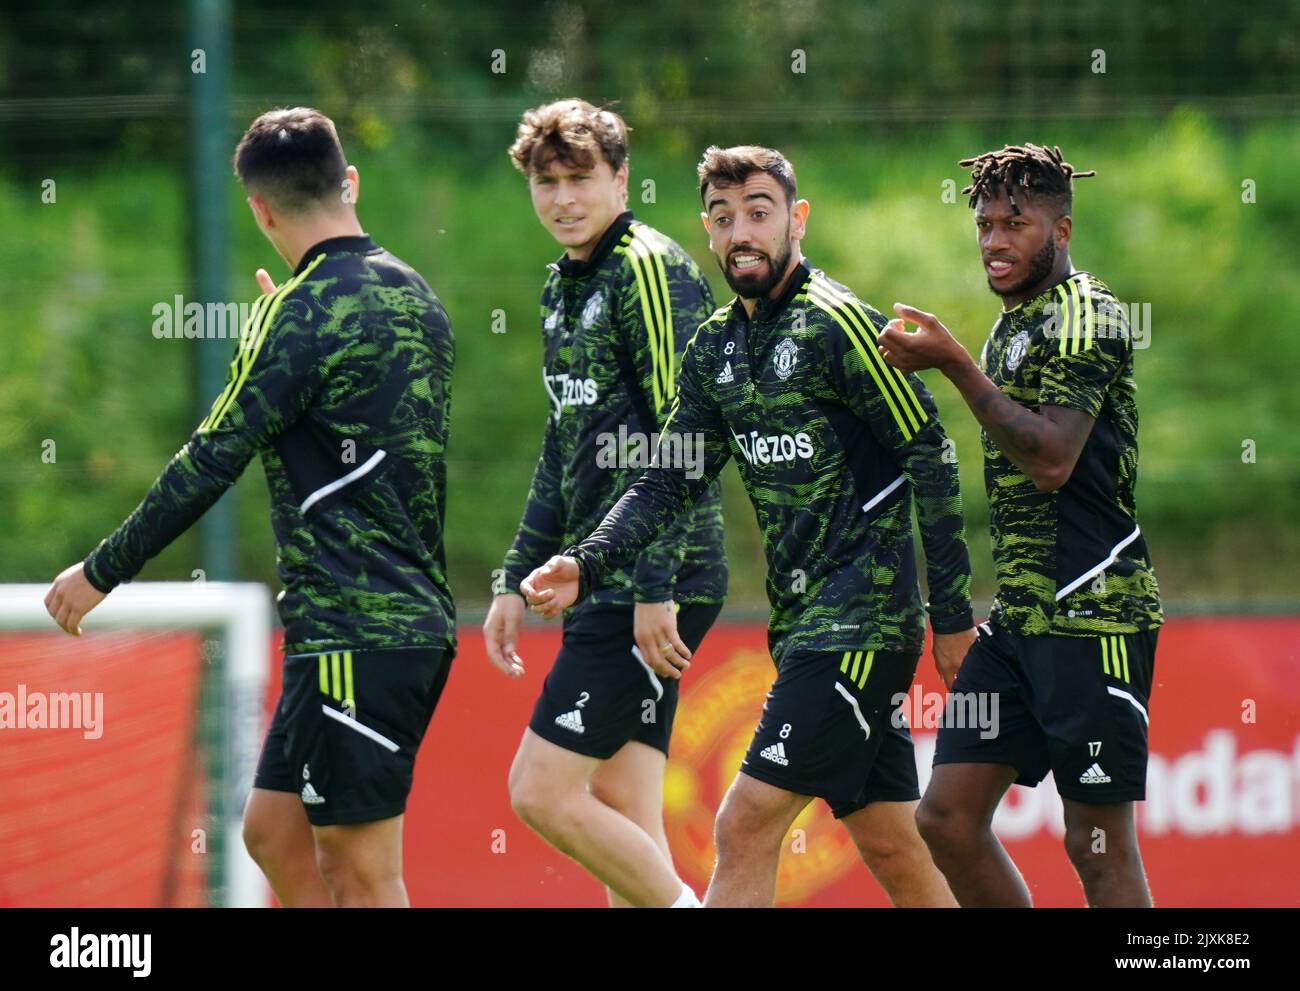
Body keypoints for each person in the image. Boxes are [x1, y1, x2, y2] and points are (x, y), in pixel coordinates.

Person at [521, 145, 973, 908]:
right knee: (895, 843)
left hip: (863, 621)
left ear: (796, 218)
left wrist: (953, 619)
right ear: (707, 230)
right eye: (725, 218)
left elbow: (930, 455)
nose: (742, 234)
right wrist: (588, 563)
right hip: (803, 624)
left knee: (745, 822)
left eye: (760, 214)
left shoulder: (839, 324)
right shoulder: (716, 347)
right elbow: (669, 476)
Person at [44, 107, 457, 908]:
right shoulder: (418, 296)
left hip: (357, 626)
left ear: (260, 210)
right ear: (351, 182)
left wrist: (103, 571)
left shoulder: (291, 316)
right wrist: (283, 325)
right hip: (385, 624)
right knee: (272, 832)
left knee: (366, 872)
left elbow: (210, 458)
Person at [876, 143, 1163, 907]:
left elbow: (1052, 459)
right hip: (1021, 622)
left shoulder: (1087, 313)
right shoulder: (1014, 323)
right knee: (945, 818)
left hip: (1095, 611)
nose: (995, 240)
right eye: (985, 223)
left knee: (1096, 843)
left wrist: (953, 363)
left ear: (1061, 231)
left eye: (1016, 223)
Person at [484, 99, 727, 908]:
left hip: (649, 580)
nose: (562, 198)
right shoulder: (561, 284)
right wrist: (515, 578)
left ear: (621, 178)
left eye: (580, 177)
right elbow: (563, 442)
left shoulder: (647, 267)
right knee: (627, 816)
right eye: (545, 181)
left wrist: (656, 584)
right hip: (598, 576)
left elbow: (683, 435)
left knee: (540, 790)